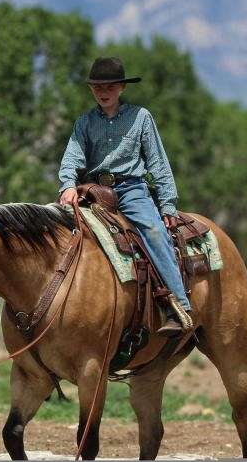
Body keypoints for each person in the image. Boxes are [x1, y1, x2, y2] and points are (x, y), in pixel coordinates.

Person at [58, 56, 194, 335]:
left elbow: (158, 162)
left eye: (109, 86)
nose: (103, 92)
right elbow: (72, 156)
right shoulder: (84, 123)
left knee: (154, 232)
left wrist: (167, 205)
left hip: (131, 189)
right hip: (93, 191)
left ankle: (178, 306)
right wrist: (68, 185)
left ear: (121, 87)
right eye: (97, 87)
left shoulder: (141, 117)